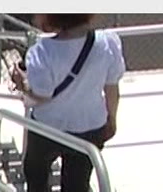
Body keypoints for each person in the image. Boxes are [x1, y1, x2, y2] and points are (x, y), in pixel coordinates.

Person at [10, 14, 123, 192]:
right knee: (77, 183)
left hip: (47, 128)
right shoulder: (107, 43)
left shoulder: (42, 51)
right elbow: (112, 88)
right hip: (89, 127)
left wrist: (21, 85)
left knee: (35, 174)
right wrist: (112, 119)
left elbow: (42, 95)